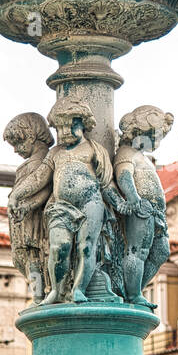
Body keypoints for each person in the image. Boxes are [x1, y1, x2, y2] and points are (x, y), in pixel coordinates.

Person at [38, 96, 112, 304]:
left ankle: (79, 288)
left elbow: (106, 183)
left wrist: (122, 202)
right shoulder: (55, 153)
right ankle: (57, 290)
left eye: (70, 126)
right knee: (59, 246)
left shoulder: (95, 149)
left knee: (86, 246)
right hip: (61, 207)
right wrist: (19, 196)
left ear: (83, 123)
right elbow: (39, 179)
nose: (64, 133)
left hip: (91, 202)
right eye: (59, 129)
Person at [109, 105, 174, 307]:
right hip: (141, 208)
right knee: (137, 251)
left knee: (161, 251)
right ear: (138, 132)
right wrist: (133, 197)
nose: (156, 142)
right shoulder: (126, 152)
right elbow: (124, 174)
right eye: (153, 136)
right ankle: (133, 293)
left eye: (159, 137)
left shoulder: (141, 155)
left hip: (155, 211)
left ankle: (136, 288)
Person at [3, 112, 55, 303]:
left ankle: (39, 296)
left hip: (32, 220)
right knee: (25, 259)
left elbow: (44, 188)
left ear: (31, 136)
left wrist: (27, 206)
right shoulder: (35, 161)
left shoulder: (42, 161)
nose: (16, 150)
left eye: (18, 143)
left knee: (33, 258)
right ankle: (39, 294)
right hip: (23, 219)